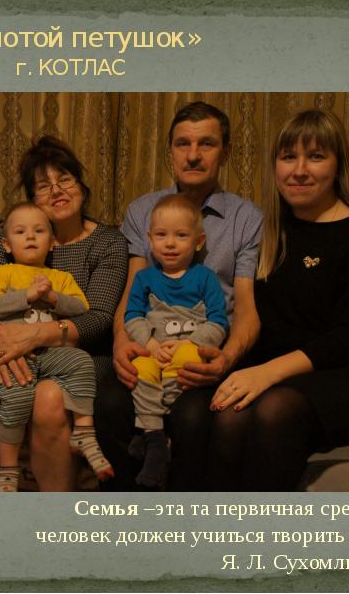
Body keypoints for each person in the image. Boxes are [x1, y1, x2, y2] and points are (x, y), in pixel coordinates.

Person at [95, 101, 263, 491]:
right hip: (149, 345)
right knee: (109, 404)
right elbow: (132, 291)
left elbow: (247, 308)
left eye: (206, 144)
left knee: (193, 418)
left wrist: (224, 360)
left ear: (225, 152)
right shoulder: (142, 211)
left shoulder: (246, 218)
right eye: (183, 143)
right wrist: (121, 343)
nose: (193, 155)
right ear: (170, 151)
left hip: (204, 352)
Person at [208, 109, 349, 491]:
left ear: (337, 165)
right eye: (288, 157)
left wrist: (268, 372)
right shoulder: (268, 234)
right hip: (281, 372)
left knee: (275, 409)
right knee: (228, 412)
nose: (299, 170)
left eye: (315, 156)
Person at [0, 136, 128, 492]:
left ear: (81, 185)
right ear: (31, 199)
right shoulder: (14, 237)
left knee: (50, 399)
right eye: (43, 186)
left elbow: (97, 318)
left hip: (79, 354)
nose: (57, 191)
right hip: (6, 348)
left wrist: (32, 337)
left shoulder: (107, 242)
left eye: (65, 179)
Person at [0, 201, 113, 491]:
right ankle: (8, 470)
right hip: (12, 355)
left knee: (81, 362)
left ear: (51, 243)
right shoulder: (2, 273)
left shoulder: (60, 278)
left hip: (51, 353)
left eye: (38, 231)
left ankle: (84, 431)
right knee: (16, 398)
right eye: (20, 232)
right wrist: (26, 295)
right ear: (6, 244)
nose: (30, 236)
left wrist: (52, 298)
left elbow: (82, 308)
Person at [123, 194, 228, 488]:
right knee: (140, 369)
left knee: (187, 362)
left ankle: (158, 431)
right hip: (153, 348)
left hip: (189, 347)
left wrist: (188, 344)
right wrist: (150, 345)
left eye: (181, 236)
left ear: (198, 241)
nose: (170, 243)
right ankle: (155, 437)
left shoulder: (205, 277)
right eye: (161, 235)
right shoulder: (144, 278)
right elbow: (132, 316)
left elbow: (218, 321)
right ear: (150, 239)